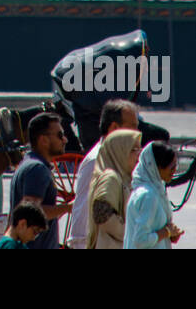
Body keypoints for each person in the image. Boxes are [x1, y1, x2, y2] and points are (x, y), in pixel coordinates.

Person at [69, 98, 139, 249]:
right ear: (114, 128)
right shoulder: (97, 161)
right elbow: (85, 218)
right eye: (132, 127)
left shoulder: (118, 159)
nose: (137, 133)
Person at [9, 112, 72, 249]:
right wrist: (69, 207)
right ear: (43, 140)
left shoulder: (29, 164)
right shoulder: (37, 169)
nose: (65, 140)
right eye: (60, 135)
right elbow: (31, 212)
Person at [88, 128, 142, 249]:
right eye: (134, 149)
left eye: (140, 149)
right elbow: (102, 215)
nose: (139, 154)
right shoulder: (110, 177)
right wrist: (133, 233)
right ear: (118, 151)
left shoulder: (125, 178)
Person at [125, 141, 184, 249]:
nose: (174, 171)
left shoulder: (155, 190)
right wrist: (166, 232)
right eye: (171, 167)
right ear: (156, 167)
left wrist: (171, 234)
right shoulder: (148, 196)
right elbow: (140, 240)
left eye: (176, 166)